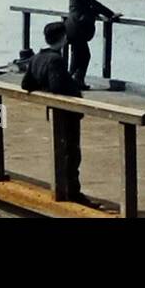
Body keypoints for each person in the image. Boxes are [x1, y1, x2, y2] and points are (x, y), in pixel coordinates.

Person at [21, 20, 87, 204]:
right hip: (66, 112)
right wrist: (74, 89)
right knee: (72, 153)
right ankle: (72, 193)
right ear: (64, 38)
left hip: (54, 111)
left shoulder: (36, 58)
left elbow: (26, 84)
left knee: (62, 151)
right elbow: (58, 86)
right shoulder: (56, 59)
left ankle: (64, 190)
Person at [65, 0, 119, 89]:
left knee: (77, 56)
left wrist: (93, 12)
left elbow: (87, 7)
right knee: (84, 56)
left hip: (71, 26)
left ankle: (72, 80)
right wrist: (111, 14)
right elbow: (95, 5)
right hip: (78, 28)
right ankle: (75, 80)